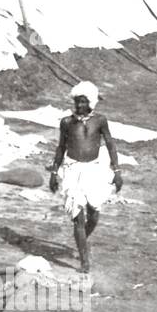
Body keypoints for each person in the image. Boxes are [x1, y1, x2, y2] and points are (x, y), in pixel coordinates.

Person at [48, 81, 122, 273]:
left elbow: (111, 144)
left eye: (83, 102)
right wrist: (54, 173)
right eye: (76, 102)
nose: (79, 106)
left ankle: (80, 240)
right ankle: (84, 260)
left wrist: (117, 171)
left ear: (91, 102)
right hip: (73, 171)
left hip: (94, 170)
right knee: (77, 215)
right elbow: (61, 147)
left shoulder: (100, 120)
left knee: (94, 213)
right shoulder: (66, 122)